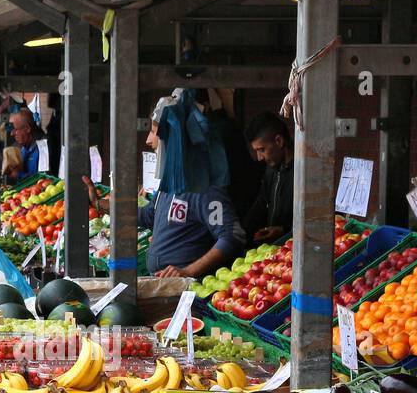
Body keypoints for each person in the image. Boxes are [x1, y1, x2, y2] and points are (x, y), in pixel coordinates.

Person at [82, 115, 245, 279]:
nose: (148, 140)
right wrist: (99, 204)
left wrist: (189, 271)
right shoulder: (170, 183)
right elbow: (148, 215)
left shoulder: (205, 189)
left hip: (188, 291)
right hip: (164, 285)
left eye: (153, 132)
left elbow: (231, 237)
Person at [242, 112, 294, 244]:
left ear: (279, 141)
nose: (259, 157)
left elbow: (315, 219)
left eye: (262, 150)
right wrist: (240, 231)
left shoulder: (304, 173)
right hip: (273, 253)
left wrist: (284, 230)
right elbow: (262, 201)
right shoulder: (272, 169)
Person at [1, 109, 42, 181]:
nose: (12, 134)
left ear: (27, 128)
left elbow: (44, 180)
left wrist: (18, 175)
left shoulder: (43, 149)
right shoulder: (23, 148)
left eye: (15, 129)